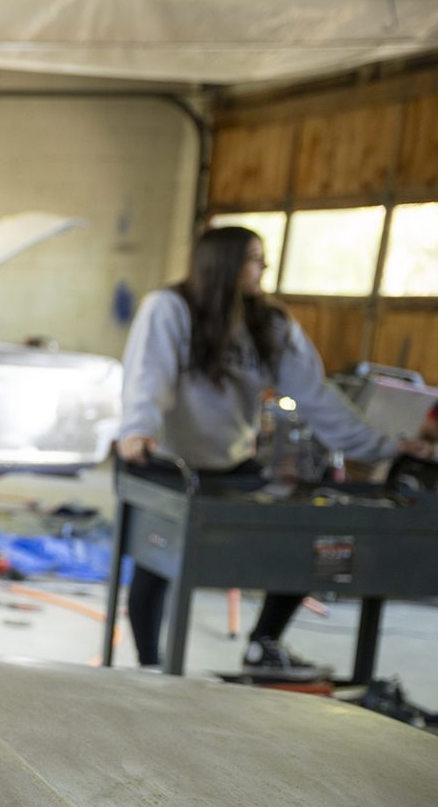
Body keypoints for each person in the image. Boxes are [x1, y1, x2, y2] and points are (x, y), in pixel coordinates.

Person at [115, 224, 434, 679]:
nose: (263, 266)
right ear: (222, 262)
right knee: (158, 563)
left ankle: (263, 644)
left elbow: (318, 398)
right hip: (166, 462)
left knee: (305, 539)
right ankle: (149, 666)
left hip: (231, 464)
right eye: (253, 257)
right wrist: (138, 430)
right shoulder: (170, 308)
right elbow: (148, 378)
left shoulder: (271, 324)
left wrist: (385, 445)